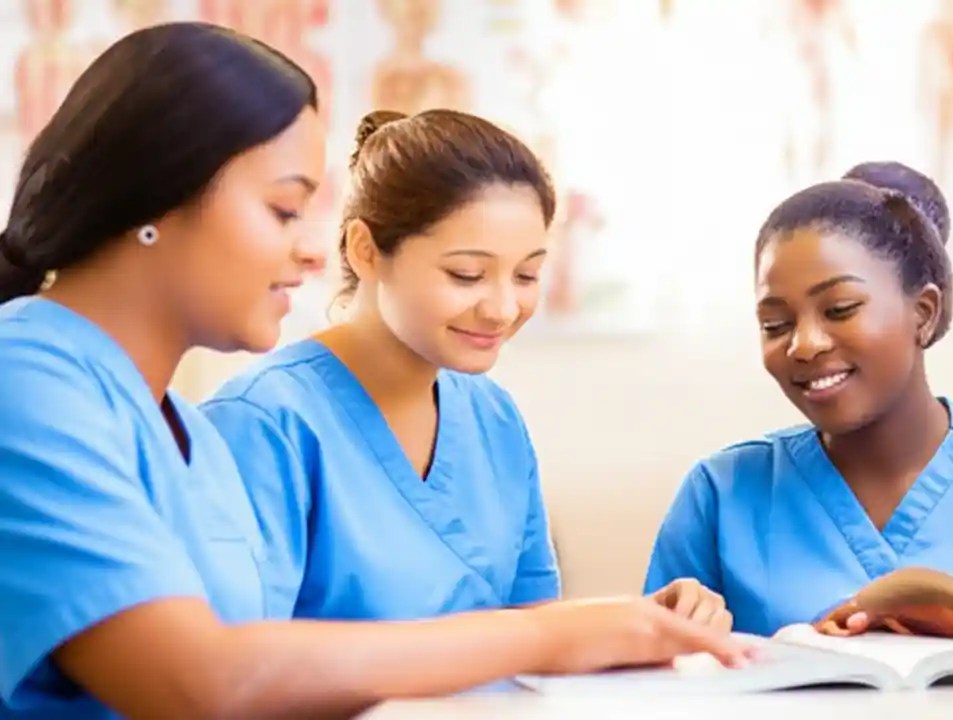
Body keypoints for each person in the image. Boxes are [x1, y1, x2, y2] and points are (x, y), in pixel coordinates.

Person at [0, 23, 747, 720]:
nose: (311, 252)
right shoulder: (28, 380)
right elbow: (199, 678)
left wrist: (624, 629)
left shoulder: (179, 432)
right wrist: (555, 636)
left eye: (527, 274)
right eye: (285, 210)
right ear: (155, 198)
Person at [201, 107, 728, 629]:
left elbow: (527, 623)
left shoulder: (492, 416)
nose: (501, 308)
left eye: (526, 275)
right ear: (366, 251)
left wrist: (638, 620)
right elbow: (238, 667)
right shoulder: (263, 424)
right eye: (467, 274)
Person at [643, 164, 953, 637]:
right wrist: (673, 626)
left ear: (924, 313)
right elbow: (654, 686)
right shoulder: (721, 494)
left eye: (839, 309)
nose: (804, 343)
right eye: (775, 324)